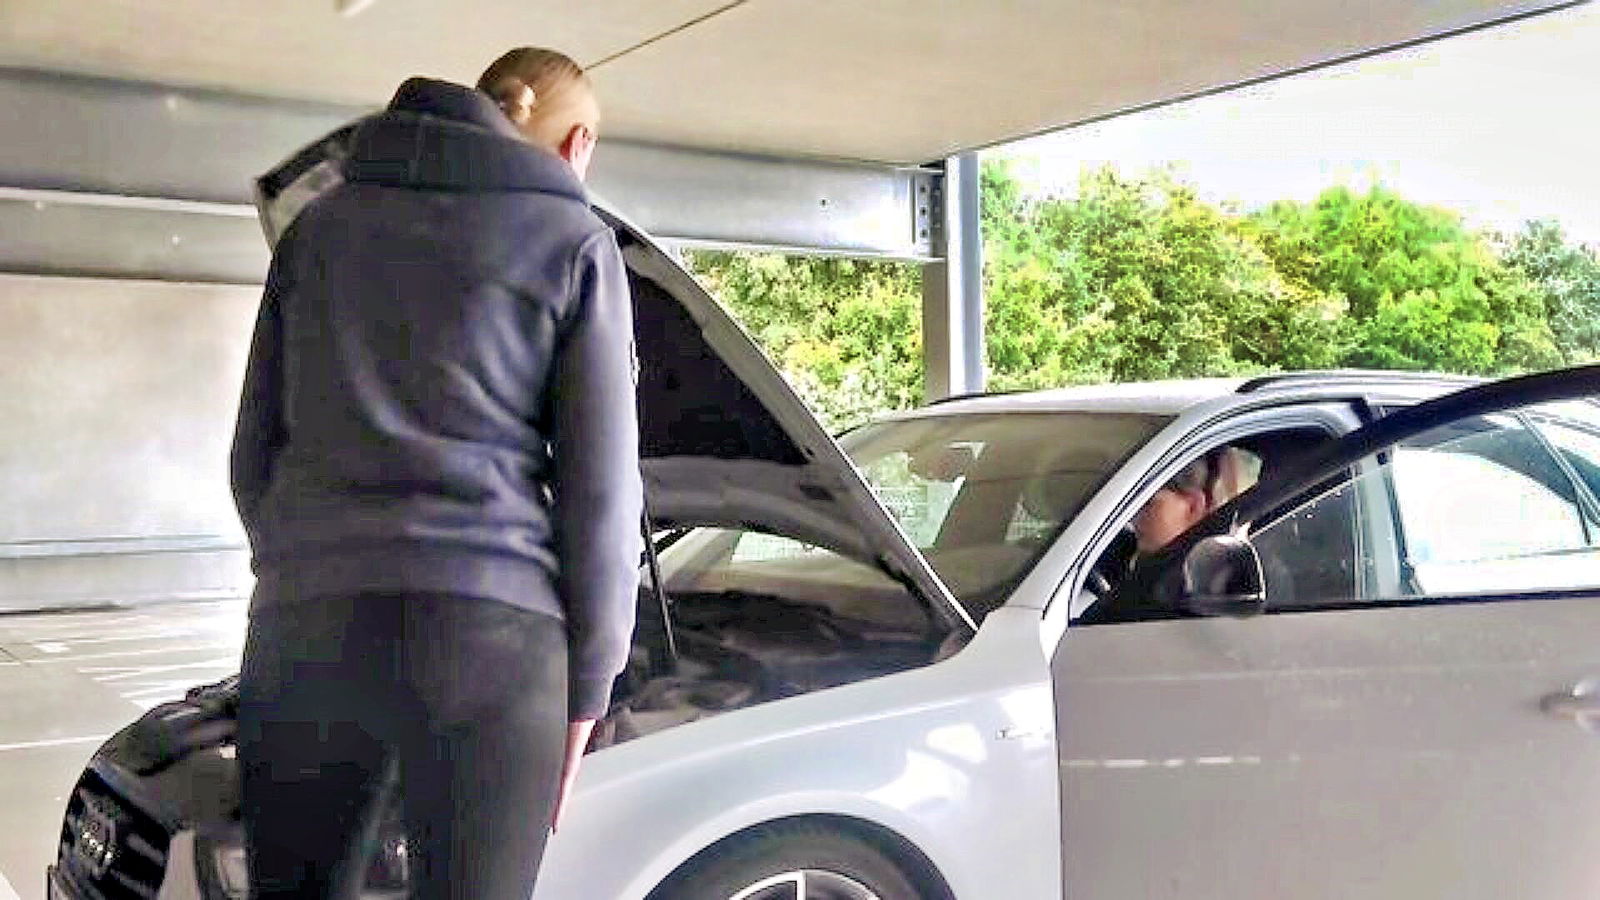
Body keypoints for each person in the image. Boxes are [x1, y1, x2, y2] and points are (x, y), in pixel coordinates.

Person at [231, 47, 643, 899]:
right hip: (490, 645)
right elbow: (602, 497)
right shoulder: (574, 242)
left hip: (307, 630)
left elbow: (253, 452)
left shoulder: (318, 228)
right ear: (575, 148)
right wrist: (589, 686)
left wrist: (308, 562)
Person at [1078, 446, 1259, 623]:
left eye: (1147, 503)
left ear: (1193, 506)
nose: (1133, 517)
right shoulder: (1121, 552)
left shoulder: (1213, 580)